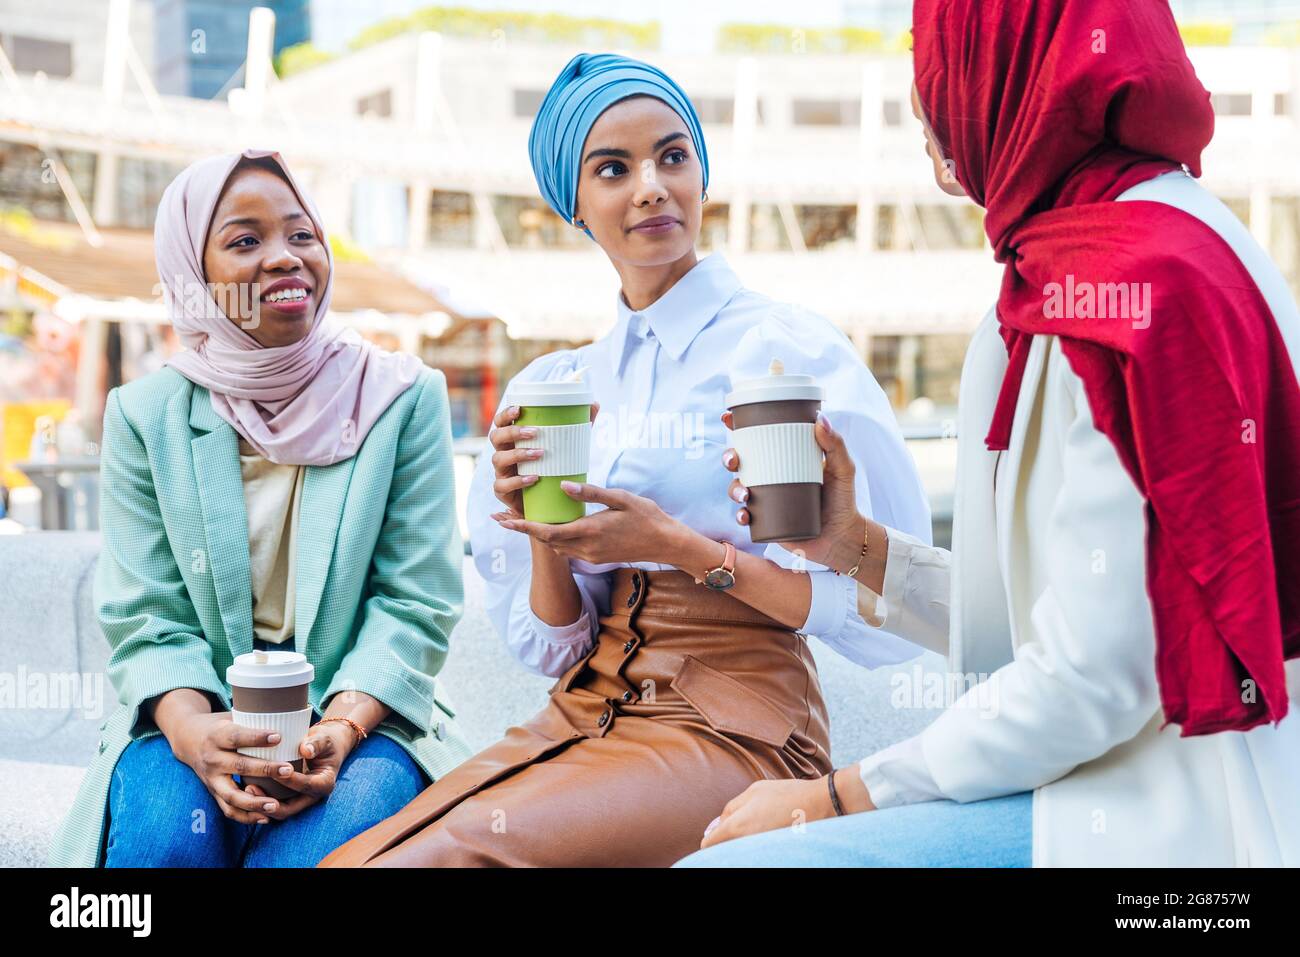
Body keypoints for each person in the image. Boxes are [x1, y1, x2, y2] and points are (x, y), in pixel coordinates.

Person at [677, 0, 1300, 867]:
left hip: (1173, 822)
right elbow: (1067, 620)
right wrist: (853, 545)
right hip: (1106, 778)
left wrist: (832, 797)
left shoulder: (1131, 289)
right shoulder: (1119, 254)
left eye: (937, 65)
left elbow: (1094, 680)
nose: (924, 105)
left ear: (1006, 72)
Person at [317, 53, 931, 868]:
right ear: (574, 204)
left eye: (673, 157)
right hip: (593, 703)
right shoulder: (559, 384)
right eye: (614, 168)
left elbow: (906, 611)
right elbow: (556, 647)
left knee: (445, 858)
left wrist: (686, 548)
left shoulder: (785, 350)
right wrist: (542, 529)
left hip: (740, 722)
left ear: (702, 177)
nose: (651, 185)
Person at [46, 149, 472, 867]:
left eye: (301, 234)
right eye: (245, 241)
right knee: (162, 848)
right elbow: (146, 614)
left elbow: (415, 600)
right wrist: (193, 733)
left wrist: (340, 725)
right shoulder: (146, 416)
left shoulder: (401, 398)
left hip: (362, 718)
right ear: (192, 273)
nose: (285, 258)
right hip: (190, 707)